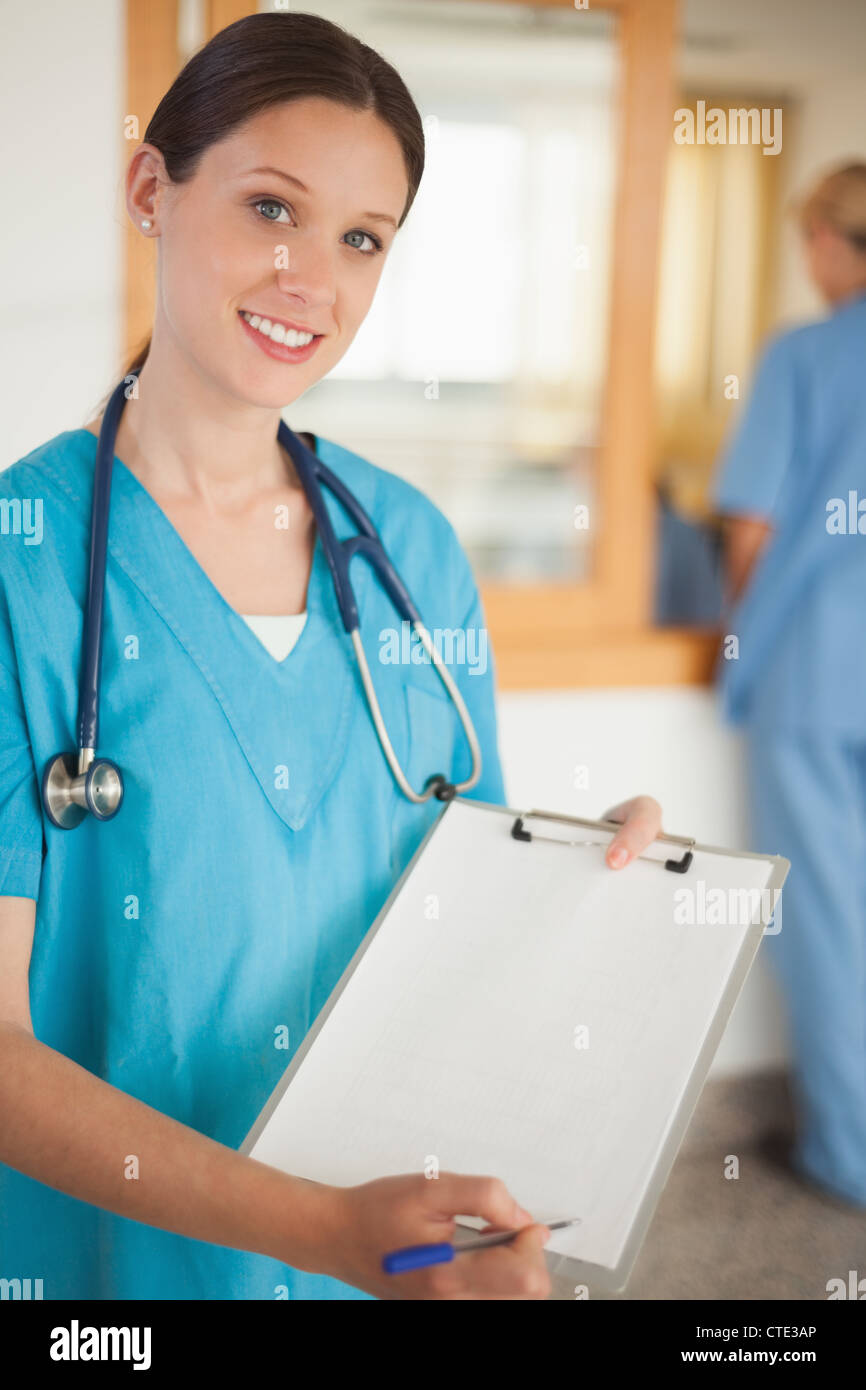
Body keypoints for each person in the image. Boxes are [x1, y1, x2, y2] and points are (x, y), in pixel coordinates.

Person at [0, 12, 663, 1299]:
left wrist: (595, 876)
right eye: (269, 209)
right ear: (152, 188)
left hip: (393, 1258)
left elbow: (456, 905)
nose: (313, 276)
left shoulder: (407, 547)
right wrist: (316, 1229)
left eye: (362, 239)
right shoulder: (21, 567)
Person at [712, 161, 866, 1208]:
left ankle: (847, 1155)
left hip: (819, 665)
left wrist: (733, 634)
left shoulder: (806, 354)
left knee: (825, 916)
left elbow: (749, 530)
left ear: (824, 238)